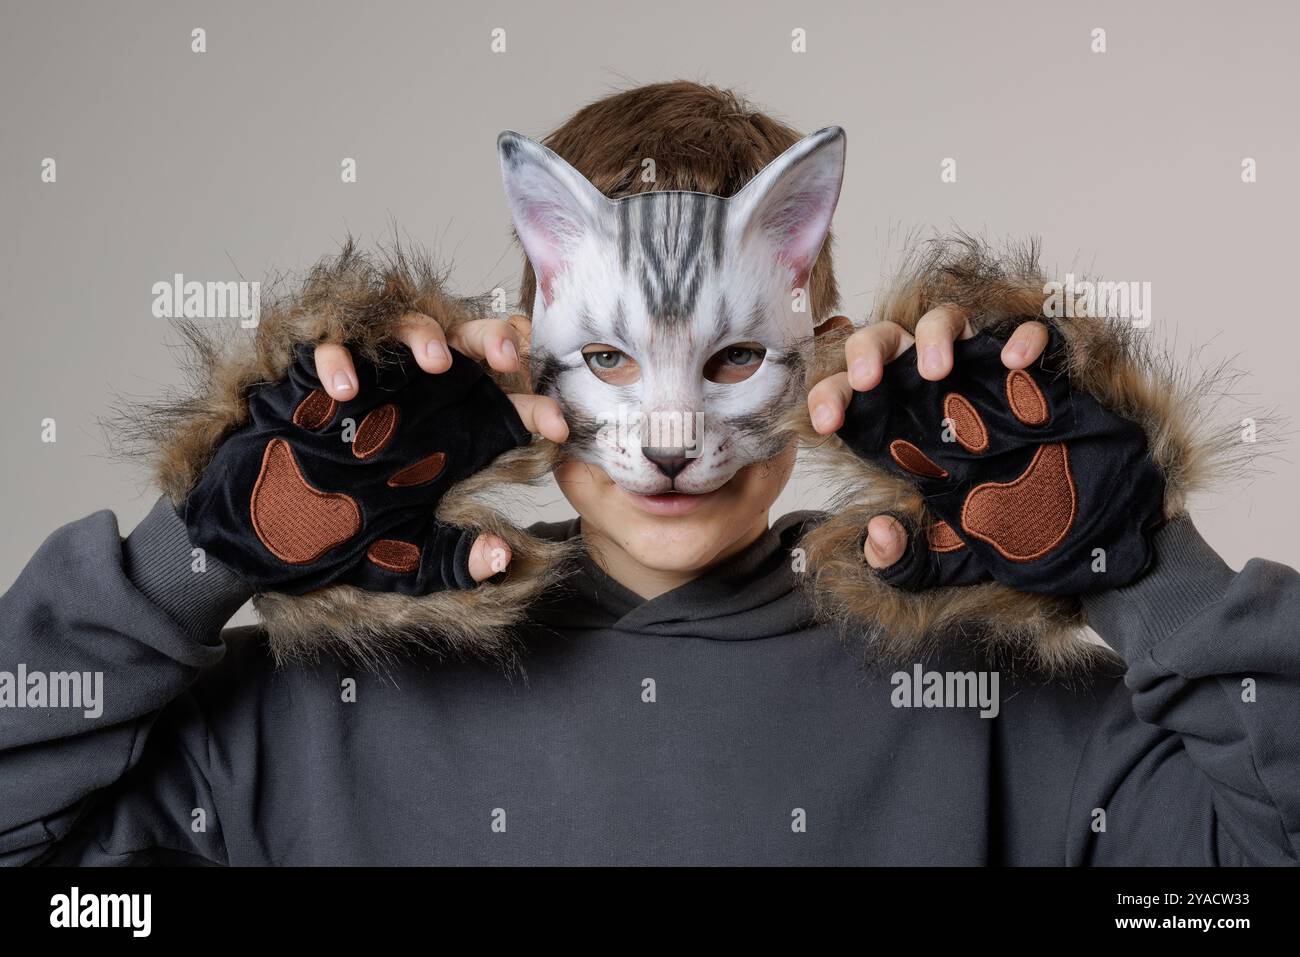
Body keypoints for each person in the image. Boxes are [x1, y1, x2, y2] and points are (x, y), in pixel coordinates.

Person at [2, 81, 1297, 866]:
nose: (671, 432)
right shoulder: (308, 716)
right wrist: (207, 546)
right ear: (516, 361)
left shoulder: (1009, 716)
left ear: (827, 364)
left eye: (732, 353)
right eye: (610, 353)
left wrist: (1138, 563)